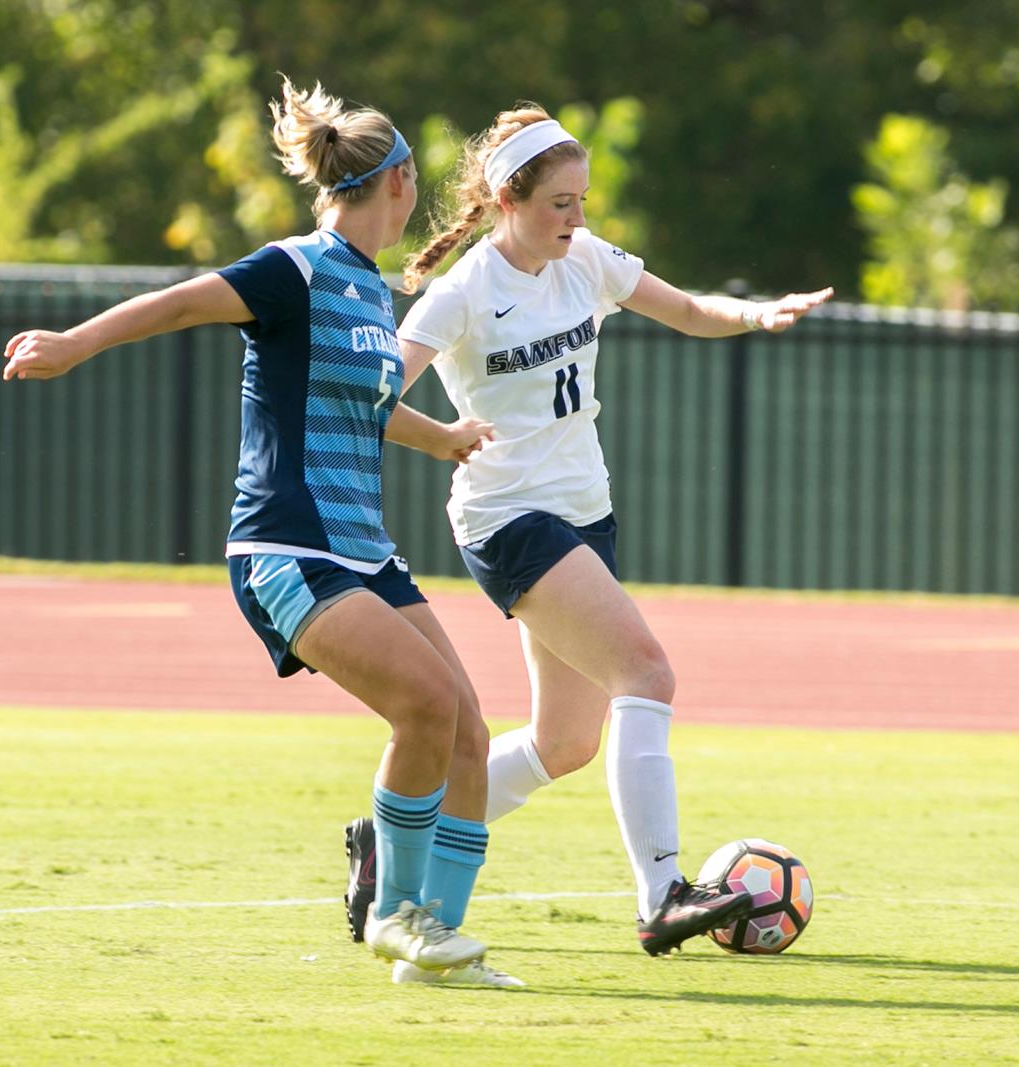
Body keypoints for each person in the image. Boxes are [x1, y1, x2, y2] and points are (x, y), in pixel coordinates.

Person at [2, 79, 523, 988]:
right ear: (397, 181)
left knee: (471, 734)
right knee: (425, 708)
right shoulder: (297, 266)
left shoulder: (369, 290)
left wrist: (438, 436)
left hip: (363, 549)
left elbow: (367, 404)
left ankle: (435, 945)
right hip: (288, 547)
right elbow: (176, 304)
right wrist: (72, 343)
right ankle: (396, 916)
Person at [341, 103, 833, 956]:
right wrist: (441, 438)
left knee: (565, 741)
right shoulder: (463, 294)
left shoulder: (587, 260)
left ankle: (388, 841)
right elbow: (373, 393)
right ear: (508, 198)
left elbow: (683, 308)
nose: (576, 216)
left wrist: (756, 315)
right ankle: (664, 895)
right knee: (647, 671)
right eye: (560, 202)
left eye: (580, 199)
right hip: (510, 519)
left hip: (583, 511)